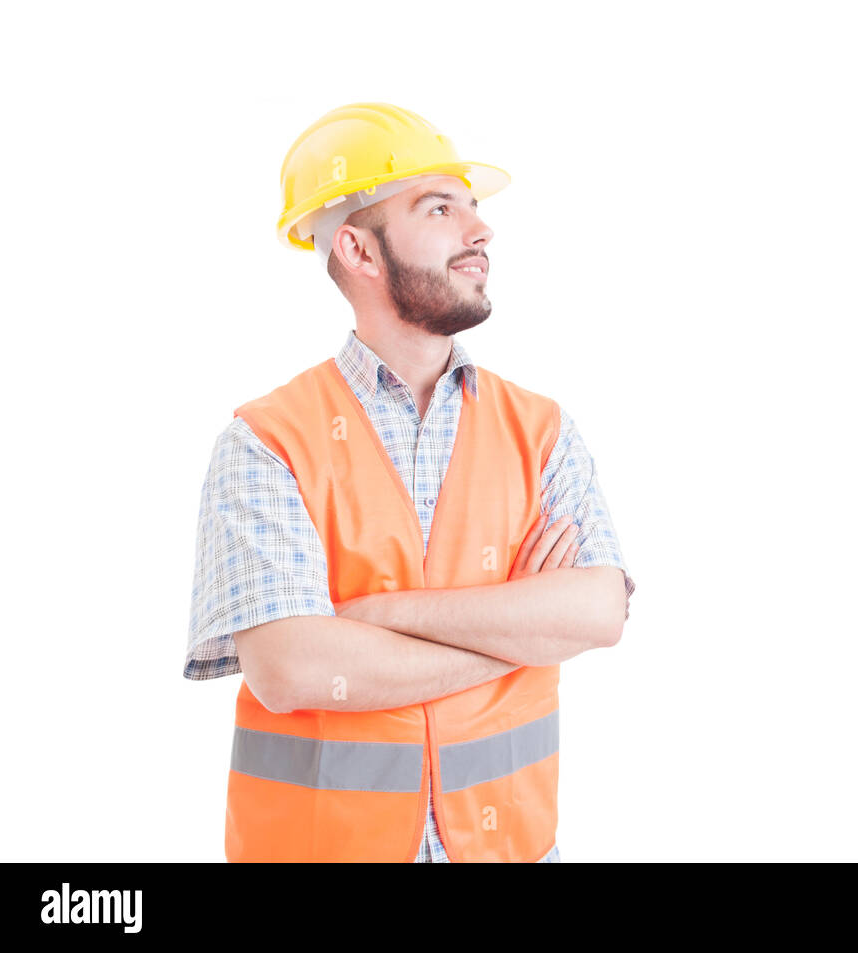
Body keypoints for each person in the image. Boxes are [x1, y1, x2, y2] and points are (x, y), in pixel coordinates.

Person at [184, 102, 635, 863]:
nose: (479, 230)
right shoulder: (266, 443)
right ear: (359, 250)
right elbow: (293, 667)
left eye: (473, 207)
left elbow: (599, 609)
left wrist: (383, 615)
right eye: (439, 207)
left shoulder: (542, 429)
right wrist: (520, 636)